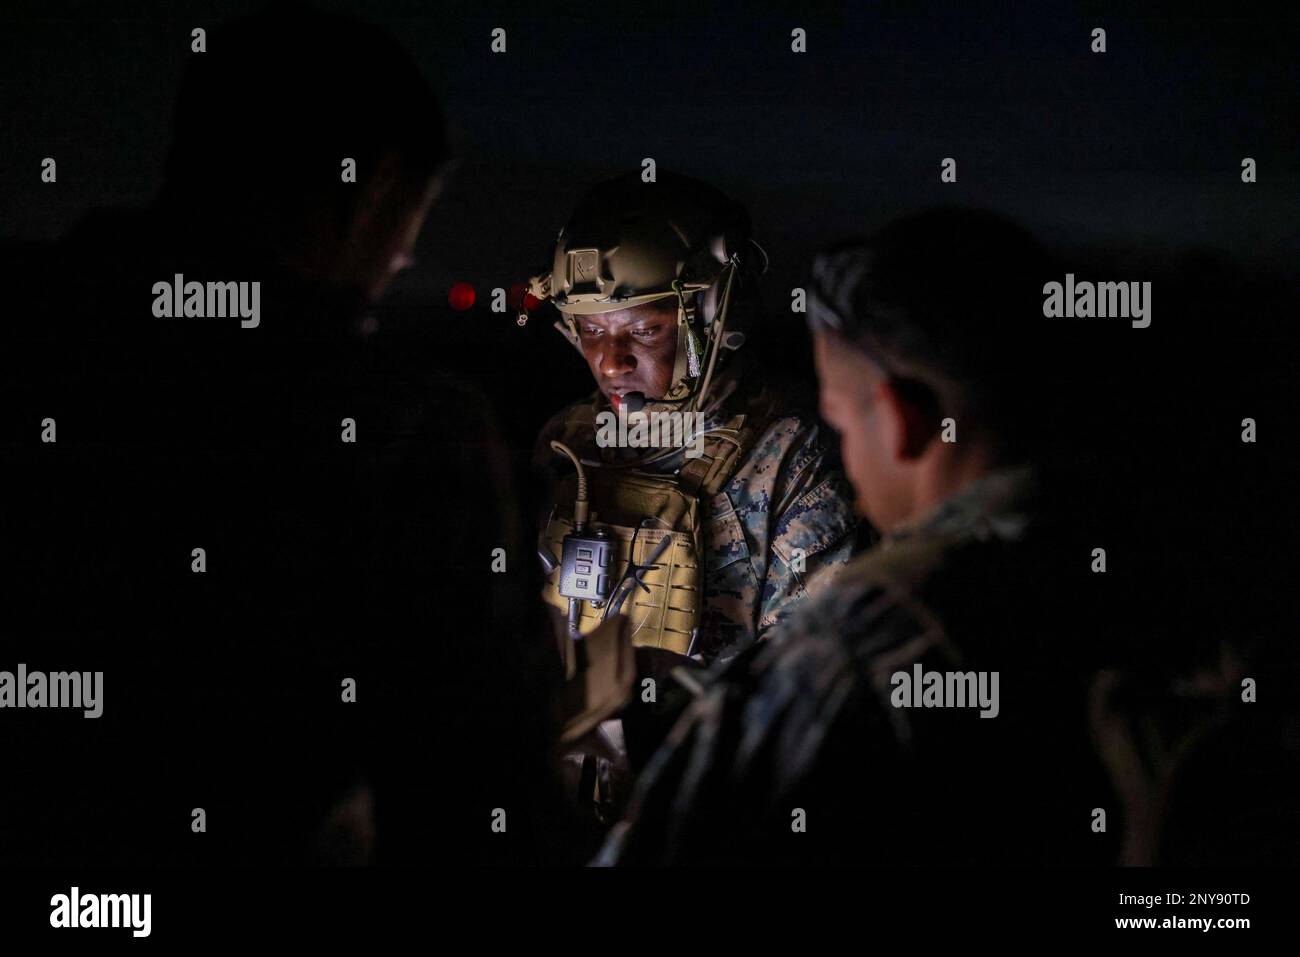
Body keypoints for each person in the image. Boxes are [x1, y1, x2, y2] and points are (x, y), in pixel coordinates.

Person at [597, 208, 1135, 866]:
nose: (846, 464)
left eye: (842, 424)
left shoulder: (862, 644)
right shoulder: (1159, 573)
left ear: (902, 419)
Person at [525, 171, 861, 826]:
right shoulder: (565, 446)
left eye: (641, 331)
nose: (611, 361)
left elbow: (816, 701)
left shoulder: (789, 455)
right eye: (591, 331)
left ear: (714, 315)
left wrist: (654, 689)